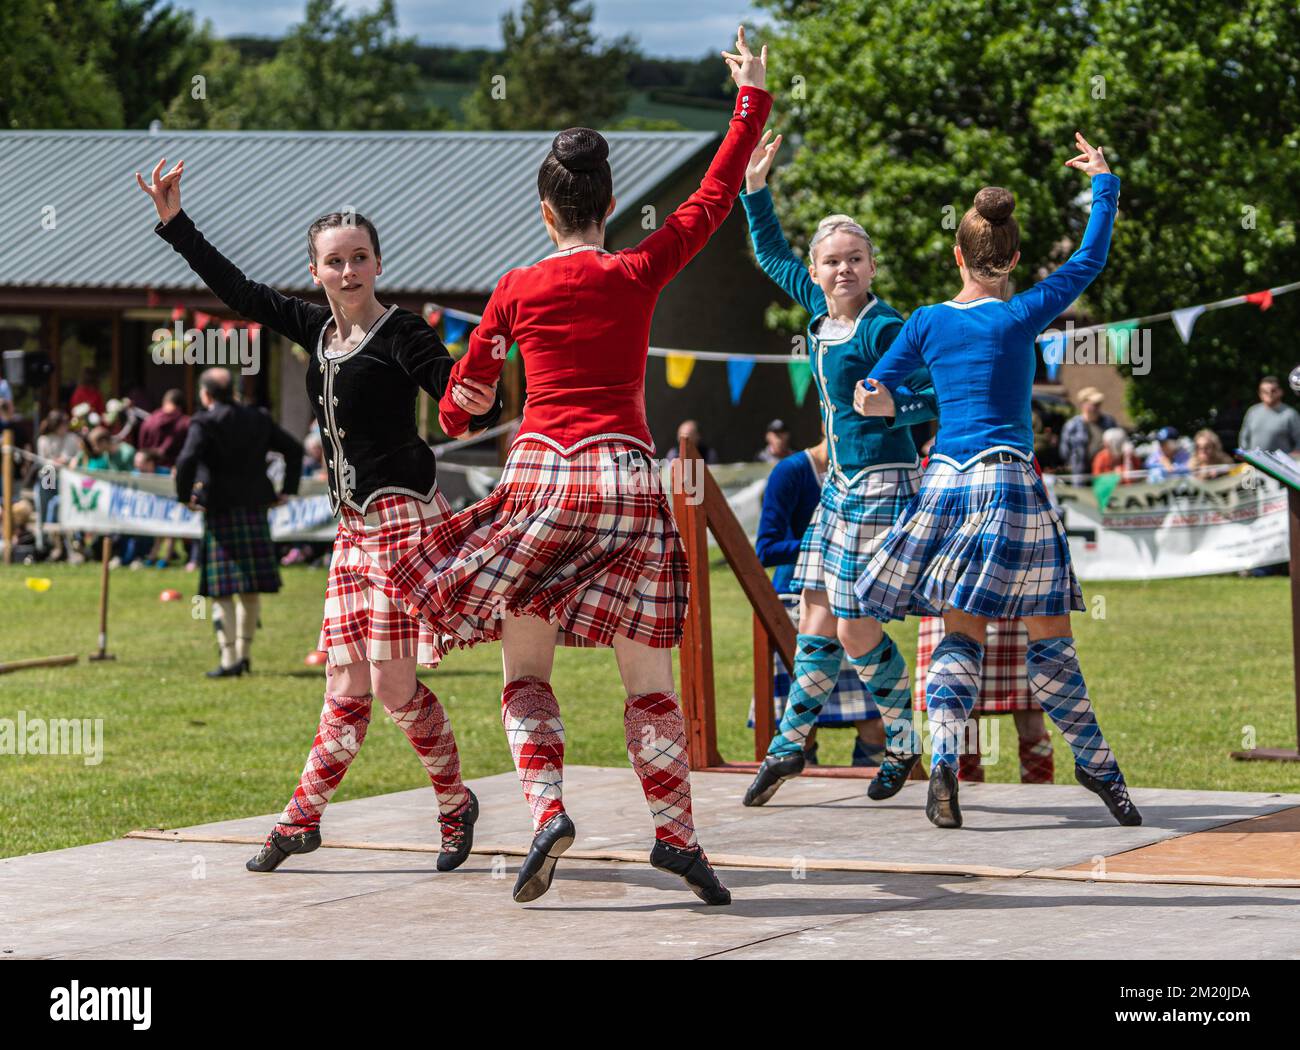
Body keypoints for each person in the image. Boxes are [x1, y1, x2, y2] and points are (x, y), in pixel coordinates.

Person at [386, 26, 773, 907]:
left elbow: (463, 406)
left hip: (544, 483)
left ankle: (549, 810)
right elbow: (713, 199)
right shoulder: (639, 268)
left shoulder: (516, 287)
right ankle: (675, 836)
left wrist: (454, 404)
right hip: (630, 483)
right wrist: (750, 98)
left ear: (546, 211)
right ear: (606, 206)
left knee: (526, 673)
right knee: (649, 680)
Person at [138, 157, 501, 875]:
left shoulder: (405, 334)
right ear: (316, 269)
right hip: (350, 533)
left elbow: (454, 392)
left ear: (377, 262)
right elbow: (239, 292)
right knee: (344, 686)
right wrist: (175, 225)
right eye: (334, 261)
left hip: (402, 526)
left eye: (360, 258)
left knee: (395, 688)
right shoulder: (316, 329)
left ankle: (456, 804)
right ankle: (300, 821)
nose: (348, 271)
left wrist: (477, 386)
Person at [853, 132, 1141, 830]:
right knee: (1050, 638)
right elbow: (1090, 258)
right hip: (1008, 483)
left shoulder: (924, 322)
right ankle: (1097, 765)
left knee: (961, 635)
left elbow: (873, 391)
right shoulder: (1021, 314)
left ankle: (945, 765)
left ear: (958, 255)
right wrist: (1103, 182)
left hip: (946, 485)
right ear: (1012, 259)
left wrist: (879, 398)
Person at [735, 127, 937, 810]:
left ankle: (903, 741)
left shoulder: (888, 327)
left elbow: (938, 392)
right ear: (817, 274)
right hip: (842, 489)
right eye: (831, 262)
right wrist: (755, 187)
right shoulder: (819, 312)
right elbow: (769, 252)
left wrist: (893, 406)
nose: (842, 270)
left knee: (851, 626)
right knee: (814, 619)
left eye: (854, 259)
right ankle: (788, 749)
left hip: (885, 484)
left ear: (872, 268)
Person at [753, 431, 885, 765]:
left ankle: (870, 809)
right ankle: (802, 801)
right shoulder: (792, 470)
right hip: (795, 605)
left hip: (851, 606)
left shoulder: (859, 473)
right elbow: (766, 549)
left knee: (876, 725)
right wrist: (831, 545)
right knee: (801, 729)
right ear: (831, 424)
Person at [913, 617, 1054, 784]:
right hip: (956, 608)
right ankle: (960, 798)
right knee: (959, 721)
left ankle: (1039, 799)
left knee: (1031, 723)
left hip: (1019, 608)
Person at [1059, 386, 1116, 479]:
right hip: (1080, 475)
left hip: (1105, 474)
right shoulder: (1072, 425)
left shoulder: (1109, 422)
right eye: (1094, 404)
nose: (1097, 407)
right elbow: (1064, 452)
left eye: (1099, 404)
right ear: (1084, 404)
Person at [1238, 375, 1300, 456]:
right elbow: (1244, 438)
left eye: (1273, 390)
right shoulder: (1252, 411)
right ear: (1259, 393)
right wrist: (1245, 454)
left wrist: (1294, 458)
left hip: (1280, 466)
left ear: (1280, 392)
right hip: (1255, 464)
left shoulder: (1290, 414)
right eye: (1264, 391)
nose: (1269, 394)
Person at [137, 389, 191, 468]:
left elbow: (141, 448)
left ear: (164, 402)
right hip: (174, 471)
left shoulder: (149, 421)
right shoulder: (185, 422)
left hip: (149, 470)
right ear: (181, 406)